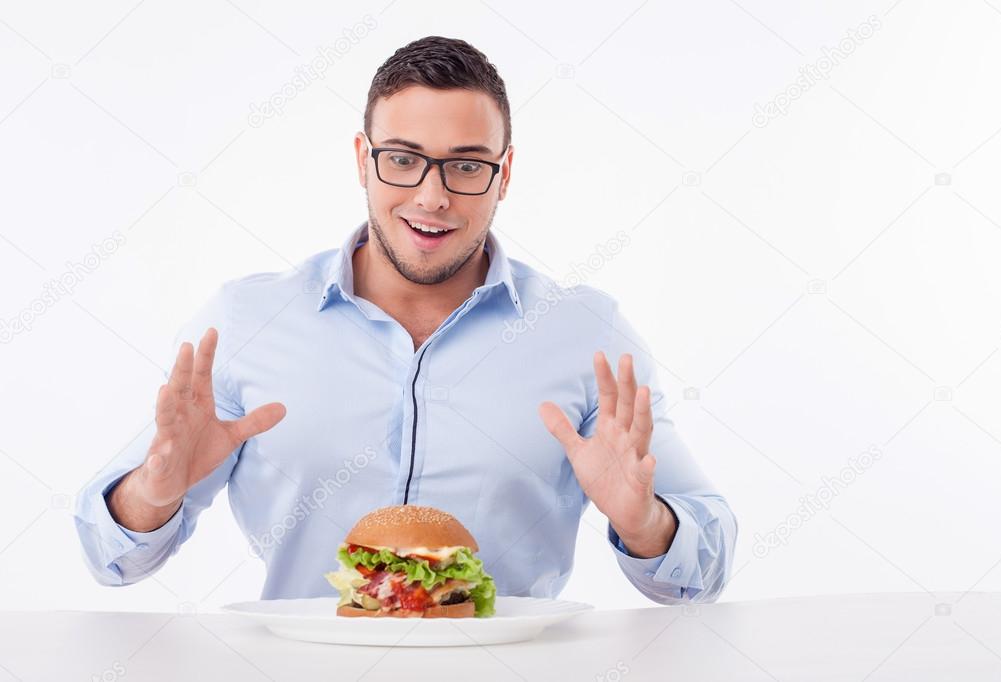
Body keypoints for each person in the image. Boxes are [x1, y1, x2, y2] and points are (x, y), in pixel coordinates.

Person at [74, 36, 736, 604]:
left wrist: (645, 521)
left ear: (503, 175)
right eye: (402, 158)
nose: (431, 195)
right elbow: (113, 557)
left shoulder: (586, 335)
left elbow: (697, 576)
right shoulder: (245, 321)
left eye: (466, 166)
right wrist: (152, 495)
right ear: (362, 159)